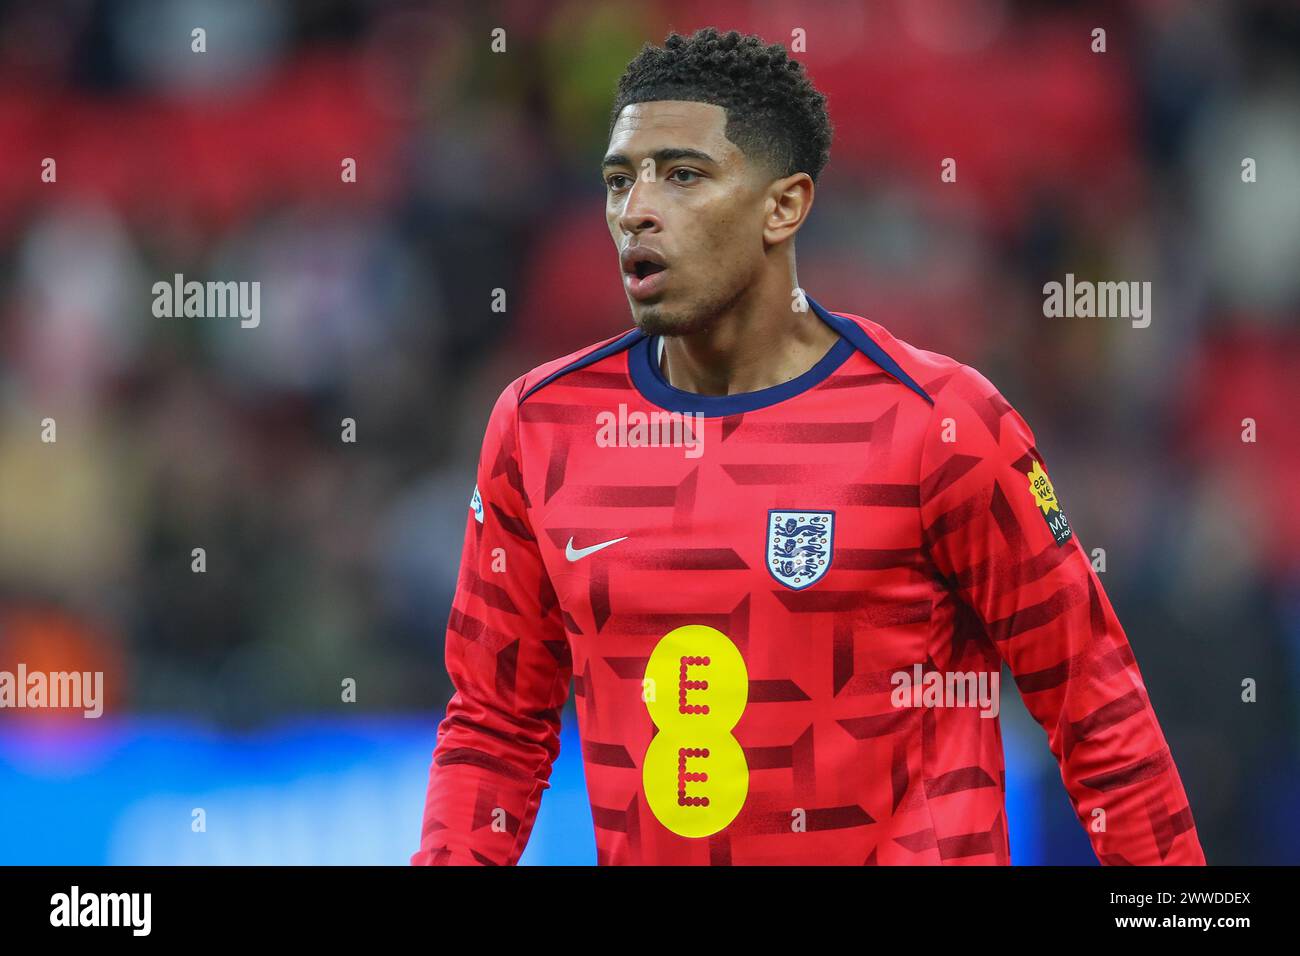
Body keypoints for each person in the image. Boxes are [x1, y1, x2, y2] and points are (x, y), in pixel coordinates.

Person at [411, 27, 1204, 865]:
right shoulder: (542, 426)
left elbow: (1096, 710)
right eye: (619, 179)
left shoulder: (937, 421)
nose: (635, 209)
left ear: (783, 206)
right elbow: (495, 726)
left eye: (682, 174)